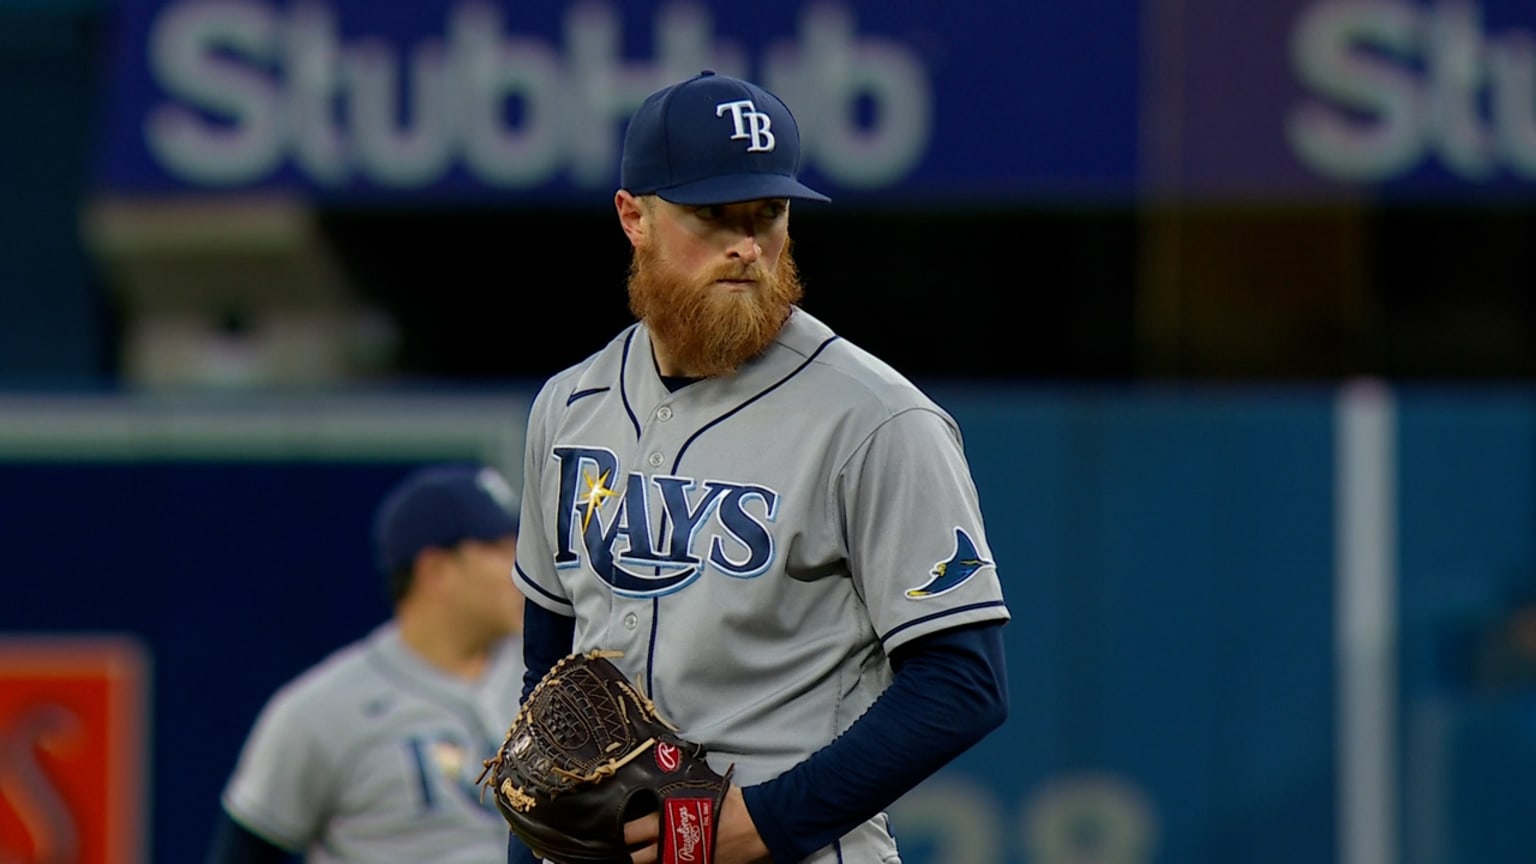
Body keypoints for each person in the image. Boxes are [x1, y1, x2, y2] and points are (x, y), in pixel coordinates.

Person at [510, 71, 1011, 864]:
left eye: (768, 214)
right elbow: (550, 670)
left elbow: (962, 683)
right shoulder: (570, 405)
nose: (747, 245)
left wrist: (762, 822)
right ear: (634, 217)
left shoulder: (877, 418)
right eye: (713, 215)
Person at [207, 463, 527, 864]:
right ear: (436, 570)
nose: (522, 567)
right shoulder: (321, 711)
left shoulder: (555, 680)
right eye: (499, 549)